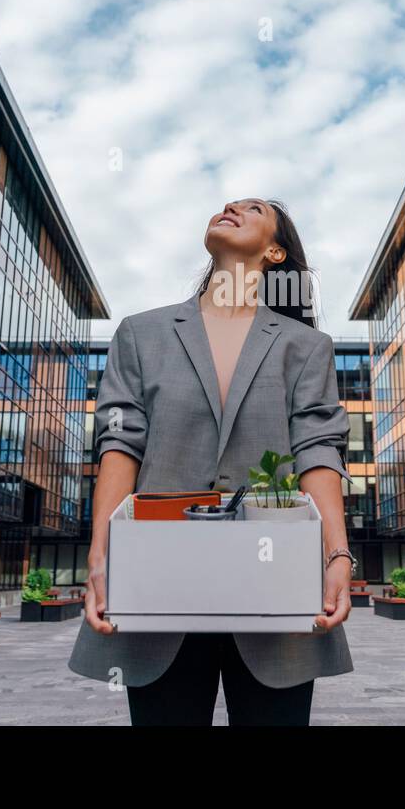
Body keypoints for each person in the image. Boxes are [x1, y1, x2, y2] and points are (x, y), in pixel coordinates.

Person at [67, 197, 355, 725]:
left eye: (254, 209)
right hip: (158, 584)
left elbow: (318, 451)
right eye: (228, 203)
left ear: (274, 251)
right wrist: (102, 558)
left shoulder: (306, 347)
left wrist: (337, 555)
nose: (231, 207)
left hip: (277, 589)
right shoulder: (141, 333)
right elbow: (120, 445)